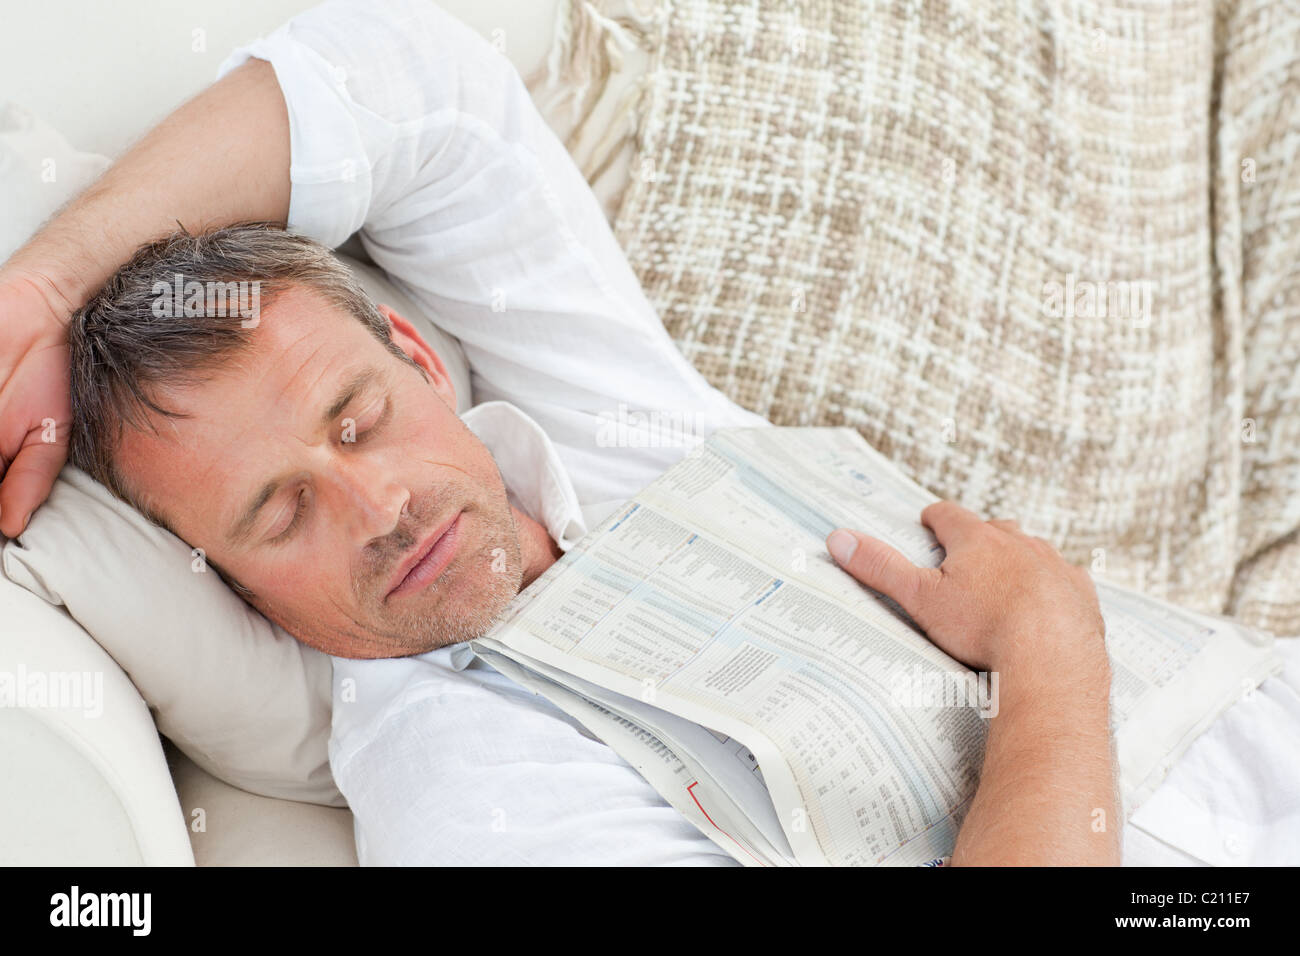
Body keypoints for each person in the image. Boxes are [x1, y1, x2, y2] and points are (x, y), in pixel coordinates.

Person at [0, 0, 1290, 866]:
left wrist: (48, 286)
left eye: (358, 421)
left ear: (413, 357)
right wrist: (1048, 644)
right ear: (217, 580)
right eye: (277, 513)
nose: (380, 504)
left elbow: (416, 84)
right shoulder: (470, 790)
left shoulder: (609, 422)